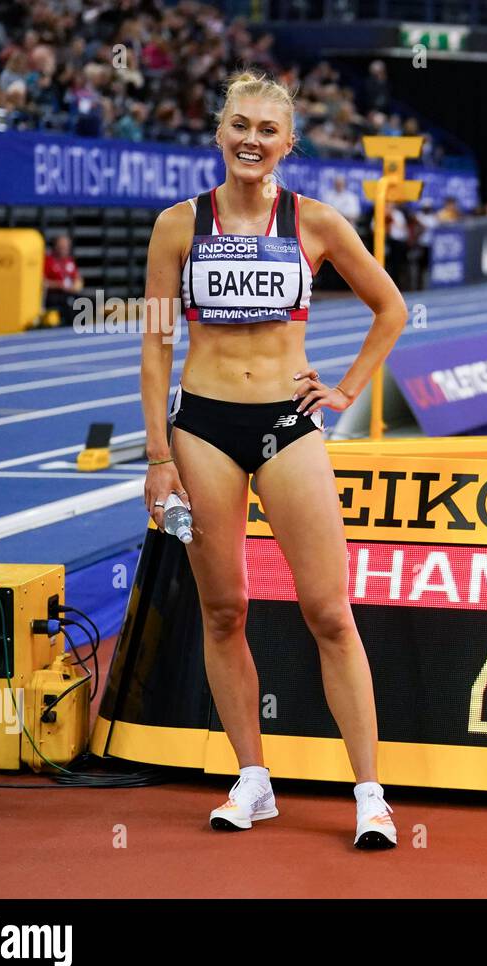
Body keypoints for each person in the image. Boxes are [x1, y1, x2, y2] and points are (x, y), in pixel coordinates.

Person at [140, 70, 408, 849]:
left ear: (289, 144)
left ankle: (369, 793)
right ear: (219, 133)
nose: (252, 140)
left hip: (287, 425)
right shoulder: (176, 227)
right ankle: (252, 778)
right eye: (239, 126)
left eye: (268, 130)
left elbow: (390, 307)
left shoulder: (316, 223)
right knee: (224, 610)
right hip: (203, 427)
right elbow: (156, 345)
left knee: (329, 610)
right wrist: (158, 456)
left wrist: (348, 389)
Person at [43, 234, 83, 323]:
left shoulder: (69, 261)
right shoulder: (47, 261)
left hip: (69, 293)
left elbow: (77, 277)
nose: (64, 249)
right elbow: (43, 282)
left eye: (66, 246)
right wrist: (60, 285)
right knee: (69, 303)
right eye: (61, 246)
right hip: (55, 295)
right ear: (55, 246)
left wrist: (77, 285)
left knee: (86, 302)